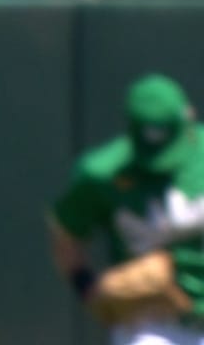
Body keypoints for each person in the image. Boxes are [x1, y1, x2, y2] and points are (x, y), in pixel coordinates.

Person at [49, 73, 204, 345]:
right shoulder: (102, 173)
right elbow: (66, 235)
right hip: (152, 324)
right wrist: (87, 287)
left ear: (189, 115)